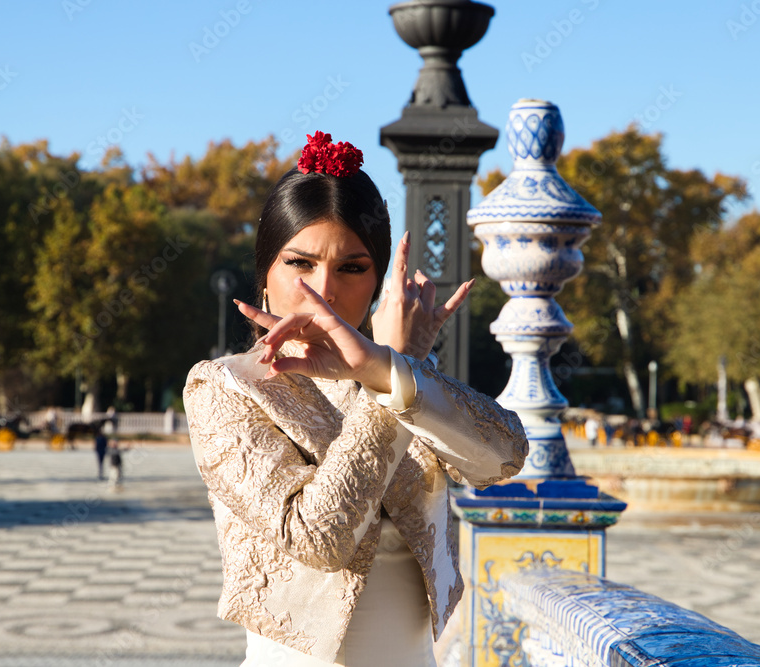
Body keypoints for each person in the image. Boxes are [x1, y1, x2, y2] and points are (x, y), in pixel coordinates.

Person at [183, 132, 528, 666]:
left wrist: (388, 370)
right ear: (266, 271)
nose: (323, 290)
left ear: (377, 281)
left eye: (351, 267)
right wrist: (385, 380)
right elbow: (319, 539)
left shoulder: (400, 374)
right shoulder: (225, 386)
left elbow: (504, 457)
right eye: (300, 263)